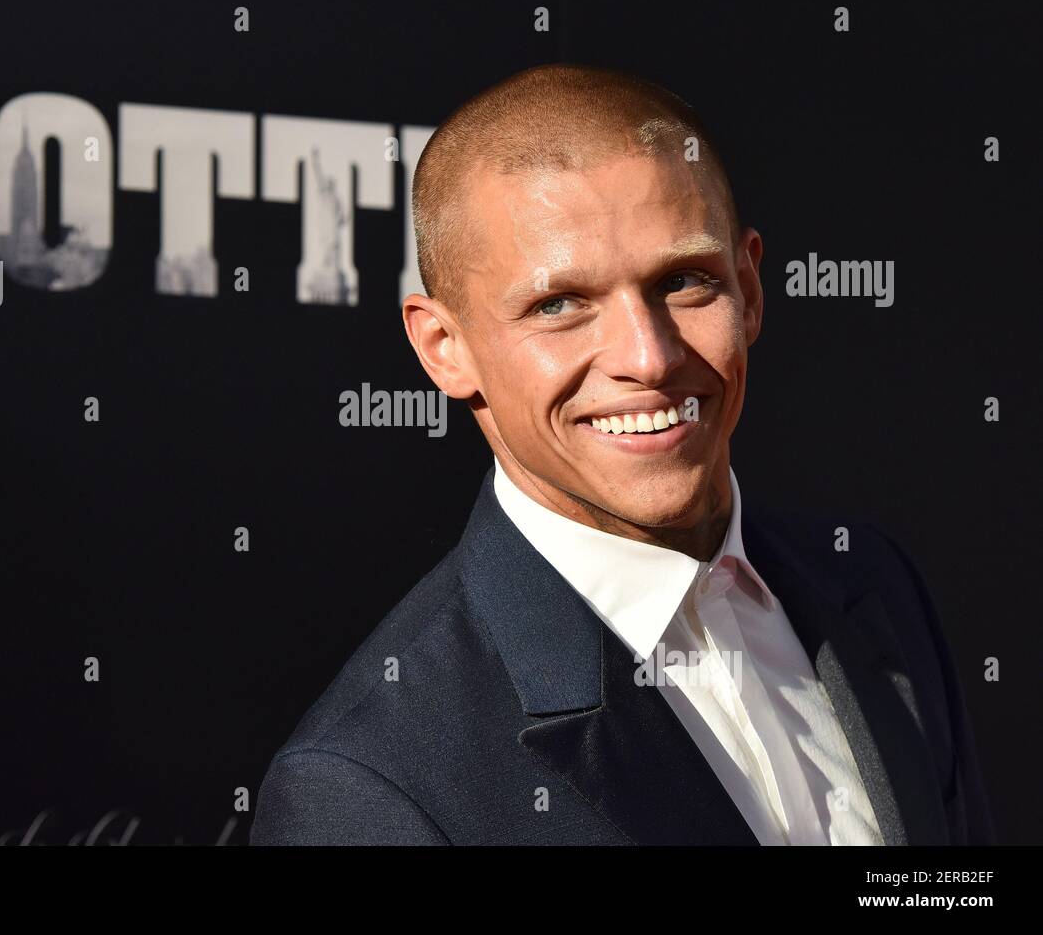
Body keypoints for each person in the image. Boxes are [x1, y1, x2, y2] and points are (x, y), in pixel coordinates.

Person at [249, 63, 994, 845]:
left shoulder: (873, 586)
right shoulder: (366, 789)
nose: (649, 356)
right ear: (445, 349)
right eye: (559, 304)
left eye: (684, 281)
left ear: (750, 289)